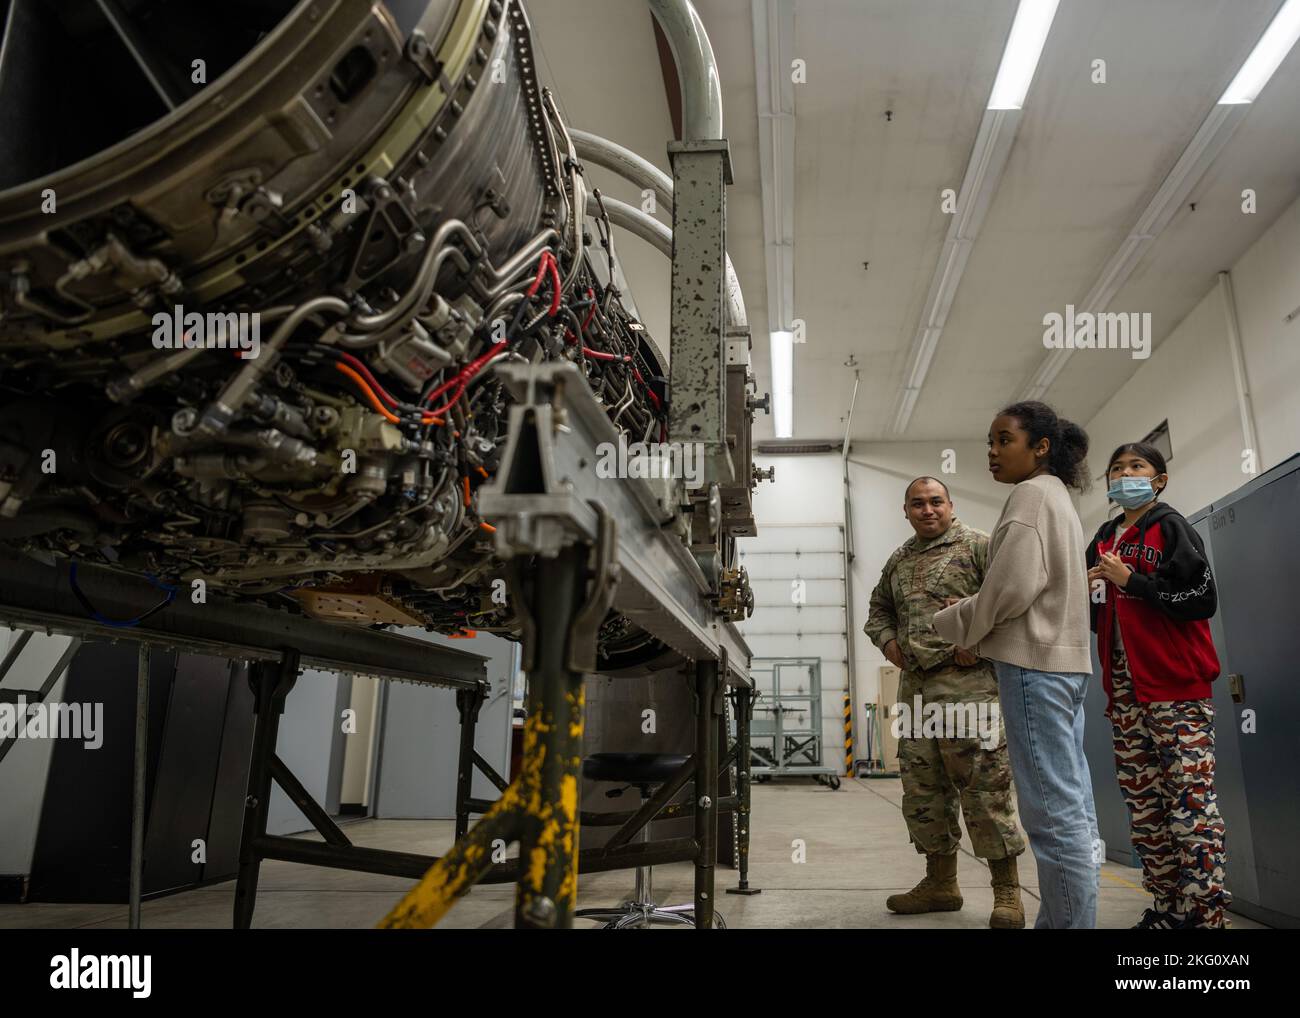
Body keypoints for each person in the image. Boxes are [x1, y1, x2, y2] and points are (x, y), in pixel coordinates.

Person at [933, 401, 1100, 929]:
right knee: (1072, 806)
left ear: (1041, 447)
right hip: (1066, 668)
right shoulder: (1058, 498)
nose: (992, 451)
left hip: (1035, 669)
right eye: (990, 441)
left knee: (1051, 814)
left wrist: (954, 623)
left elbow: (1009, 588)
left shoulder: (1030, 497)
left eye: (1004, 440)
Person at [865, 477, 1027, 928]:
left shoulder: (979, 546)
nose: (928, 510)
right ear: (906, 511)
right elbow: (878, 610)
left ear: (951, 505)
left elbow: (1012, 604)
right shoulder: (899, 559)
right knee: (923, 790)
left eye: (936, 501)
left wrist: (981, 639)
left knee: (984, 789)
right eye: (918, 504)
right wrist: (887, 642)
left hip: (970, 687)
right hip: (915, 690)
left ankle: (1008, 893)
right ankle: (941, 884)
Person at [1086, 442, 1228, 929]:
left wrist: (1133, 581)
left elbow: (1199, 599)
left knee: (1189, 803)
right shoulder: (1105, 537)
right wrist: (1091, 593)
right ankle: (1169, 908)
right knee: (1145, 807)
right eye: (1117, 468)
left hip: (1176, 687)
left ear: (1159, 479)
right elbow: (1098, 616)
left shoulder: (1171, 527)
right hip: (1126, 693)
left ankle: (1205, 917)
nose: (1126, 474)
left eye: (1137, 467)